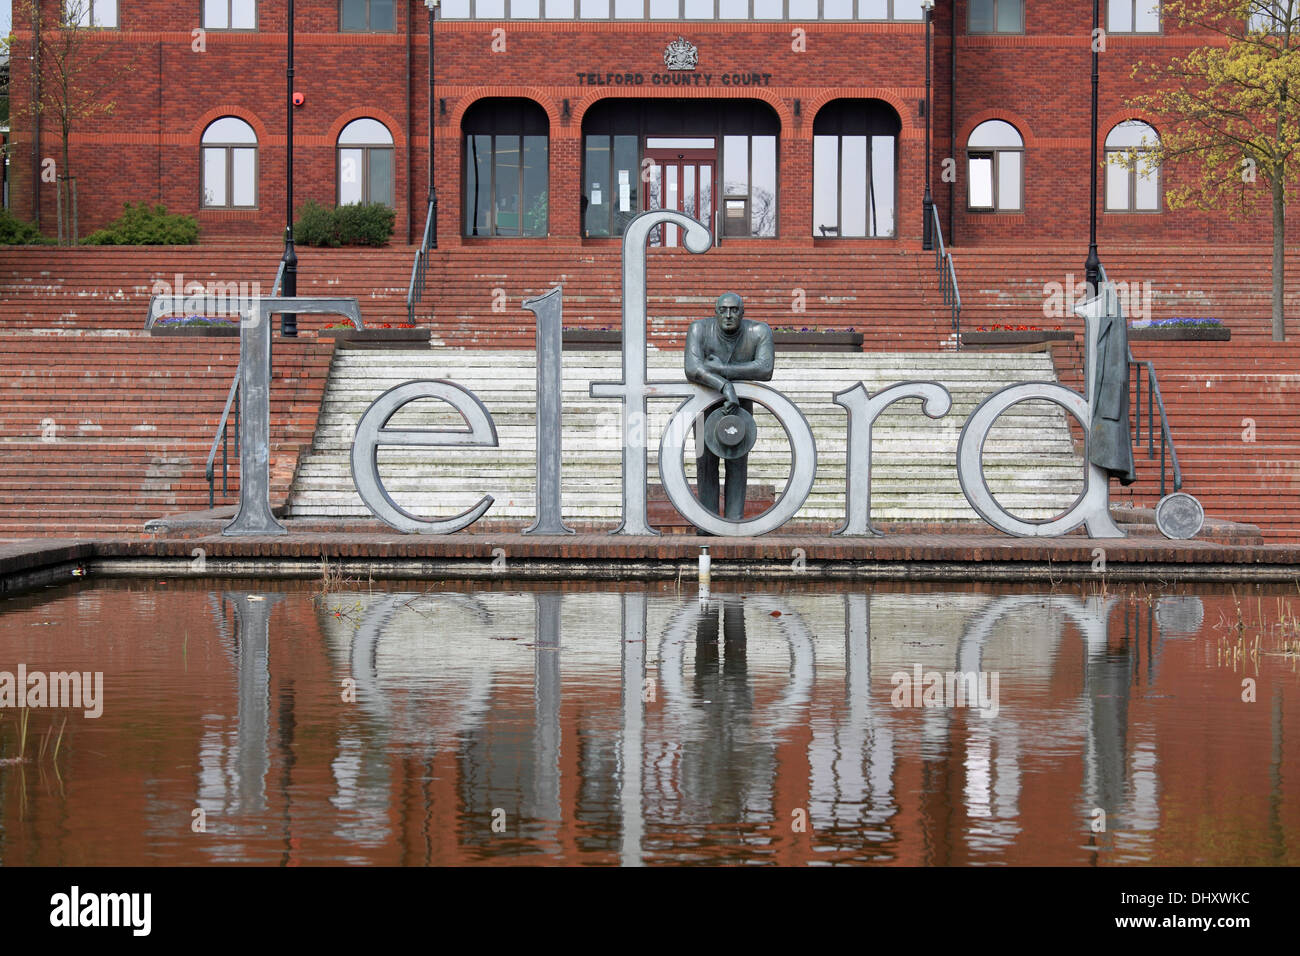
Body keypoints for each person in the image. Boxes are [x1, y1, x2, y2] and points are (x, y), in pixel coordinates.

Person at [684, 292, 775, 520]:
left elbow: (765, 369)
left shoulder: (758, 332)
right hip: (705, 405)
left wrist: (719, 369)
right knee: (705, 464)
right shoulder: (699, 329)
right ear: (715, 312)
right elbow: (692, 369)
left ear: (742, 313)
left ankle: (734, 521)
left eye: (734, 310)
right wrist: (725, 386)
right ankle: (707, 522)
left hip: (739, 407)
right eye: (723, 310)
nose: (728, 315)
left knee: (737, 462)